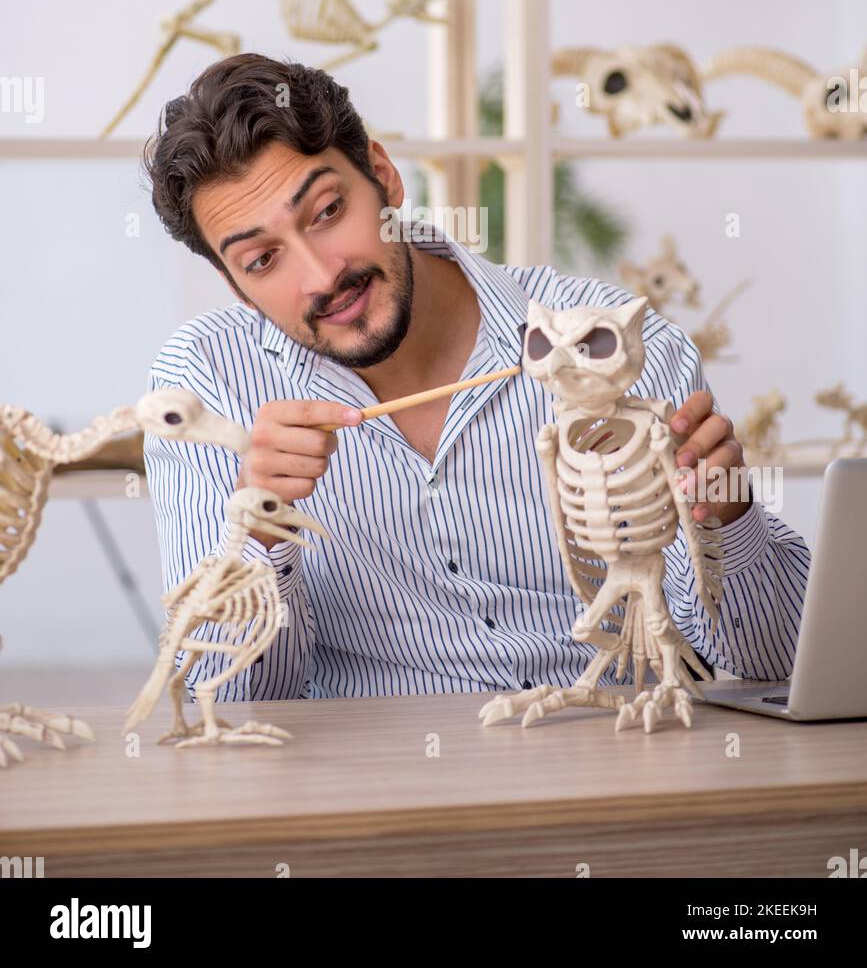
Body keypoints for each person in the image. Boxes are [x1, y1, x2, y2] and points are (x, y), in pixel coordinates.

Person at [142, 53, 809, 702]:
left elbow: (770, 664)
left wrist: (728, 517)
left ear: (383, 175)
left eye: (325, 212)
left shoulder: (619, 346)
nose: (320, 277)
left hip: (619, 764)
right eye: (261, 261)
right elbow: (228, 702)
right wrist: (256, 532)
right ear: (232, 284)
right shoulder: (206, 387)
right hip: (368, 797)